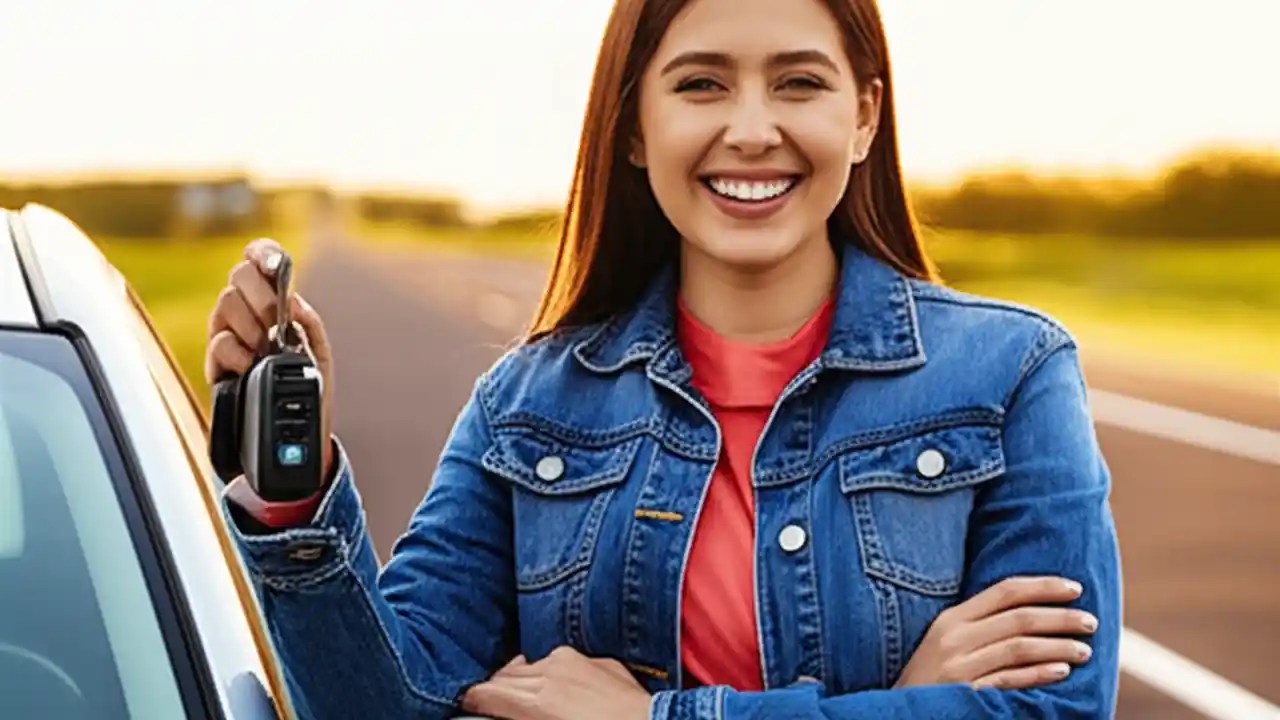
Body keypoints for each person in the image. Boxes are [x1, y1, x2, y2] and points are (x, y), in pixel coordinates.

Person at [206, 0, 1122, 717]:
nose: (754, 128)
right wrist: (295, 490)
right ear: (635, 127)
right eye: (701, 85)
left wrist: (653, 718)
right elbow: (383, 704)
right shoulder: (524, 409)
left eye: (799, 82)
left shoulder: (1010, 377)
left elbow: (1051, 712)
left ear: (864, 118)